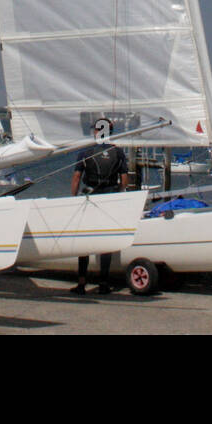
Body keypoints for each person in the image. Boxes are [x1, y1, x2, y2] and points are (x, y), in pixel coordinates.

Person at [68, 118, 130, 295]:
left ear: (96, 131)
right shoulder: (117, 152)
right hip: (108, 197)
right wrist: (117, 192)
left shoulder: (85, 151)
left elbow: (76, 178)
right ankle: (103, 283)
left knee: (84, 241)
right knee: (105, 242)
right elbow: (125, 180)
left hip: (88, 198)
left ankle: (81, 284)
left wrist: (73, 198)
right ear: (109, 132)